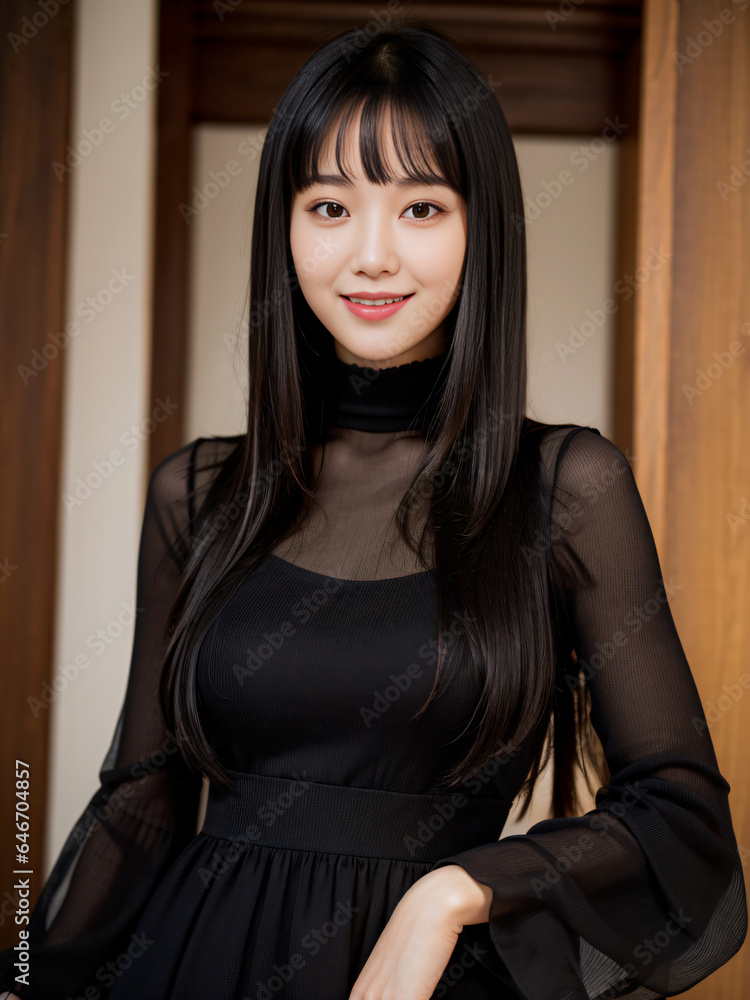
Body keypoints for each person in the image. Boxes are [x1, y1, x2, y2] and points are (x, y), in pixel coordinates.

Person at [1, 17, 746, 1000]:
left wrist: (453, 891)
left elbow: (679, 816)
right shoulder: (199, 493)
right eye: (329, 206)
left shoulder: (566, 487)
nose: (372, 254)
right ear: (285, 227)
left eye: (423, 208)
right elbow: (142, 801)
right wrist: (22, 977)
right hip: (192, 965)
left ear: (482, 227)